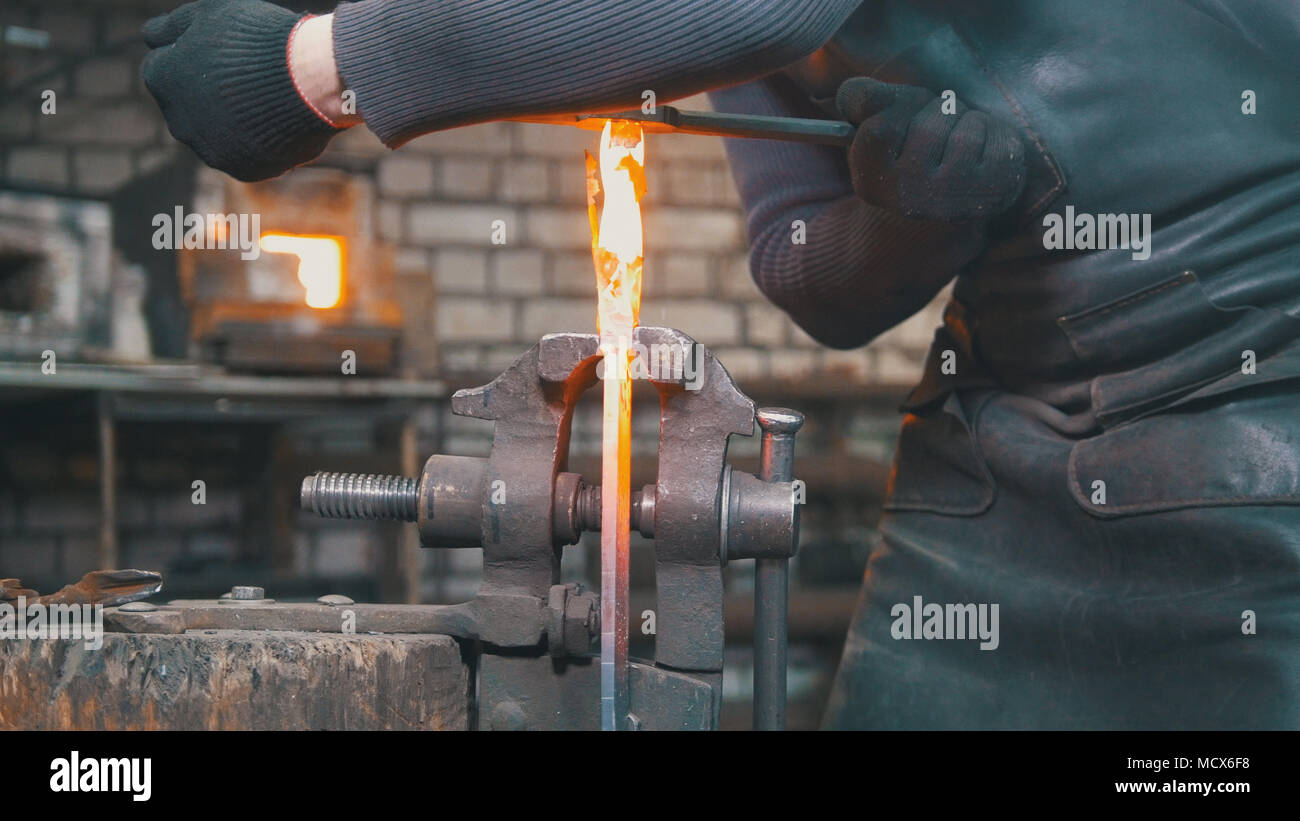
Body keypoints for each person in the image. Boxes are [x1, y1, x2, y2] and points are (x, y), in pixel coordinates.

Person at [143, 0, 1300, 729]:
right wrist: (919, 215)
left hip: (1246, 434)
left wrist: (321, 62)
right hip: (999, 451)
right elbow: (809, 273)